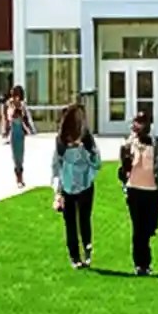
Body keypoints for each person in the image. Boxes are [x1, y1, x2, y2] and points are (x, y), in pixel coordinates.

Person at [116, 110, 158, 276]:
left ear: (150, 124)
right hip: (134, 190)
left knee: (149, 227)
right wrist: (126, 162)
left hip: (153, 191)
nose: (140, 126)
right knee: (138, 229)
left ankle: (143, 259)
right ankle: (141, 265)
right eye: (137, 122)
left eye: (144, 122)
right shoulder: (127, 145)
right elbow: (122, 174)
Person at [50, 103, 99, 269]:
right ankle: (74, 257)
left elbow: (97, 163)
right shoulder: (60, 143)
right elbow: (56, 168)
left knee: (84, 220)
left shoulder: (87, 140)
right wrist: (57, 193)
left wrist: (84, 150)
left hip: (85, 186)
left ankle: (87, 249)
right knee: (70, 222)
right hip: (67, 188)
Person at [4, 85, 37, 188]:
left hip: (20, 133)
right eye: (14, 96)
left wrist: (31, 128)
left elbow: (27, 118)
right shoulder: (9, 104)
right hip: (13, 132)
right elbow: (6, 118)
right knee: (16, 157)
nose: (16, 98)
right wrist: (5, 131)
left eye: (17, 96)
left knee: (21, 156)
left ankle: (21, 176)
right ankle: (18, 178)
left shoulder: (23, 105)